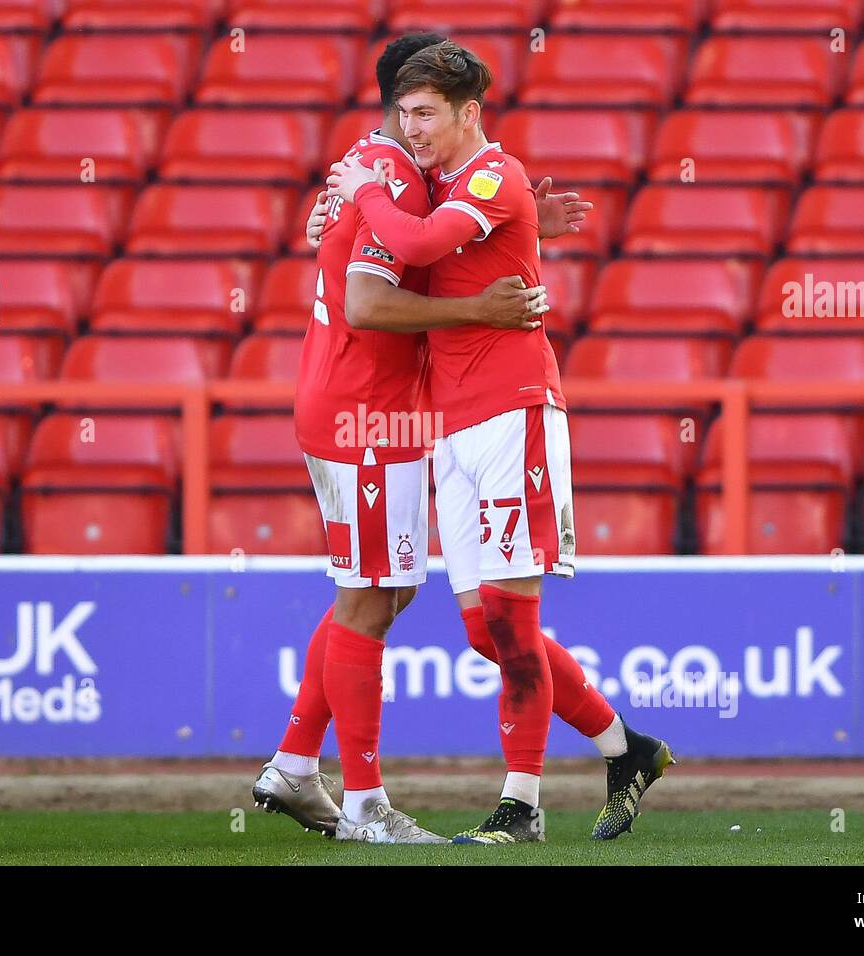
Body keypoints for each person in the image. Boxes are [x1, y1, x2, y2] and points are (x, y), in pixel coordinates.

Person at [327, 40, 675, 844]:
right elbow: (442, 251)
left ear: (468, 112)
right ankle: (628, 748)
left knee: (514, 625)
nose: (411, 129)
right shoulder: (449, 182)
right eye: (404, 114)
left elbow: (413, 247)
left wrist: (360, 190)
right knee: (484, 631)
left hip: (513, 411)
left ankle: (522, 807)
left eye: (426, 114)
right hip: (453, 425)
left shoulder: (490, 172)